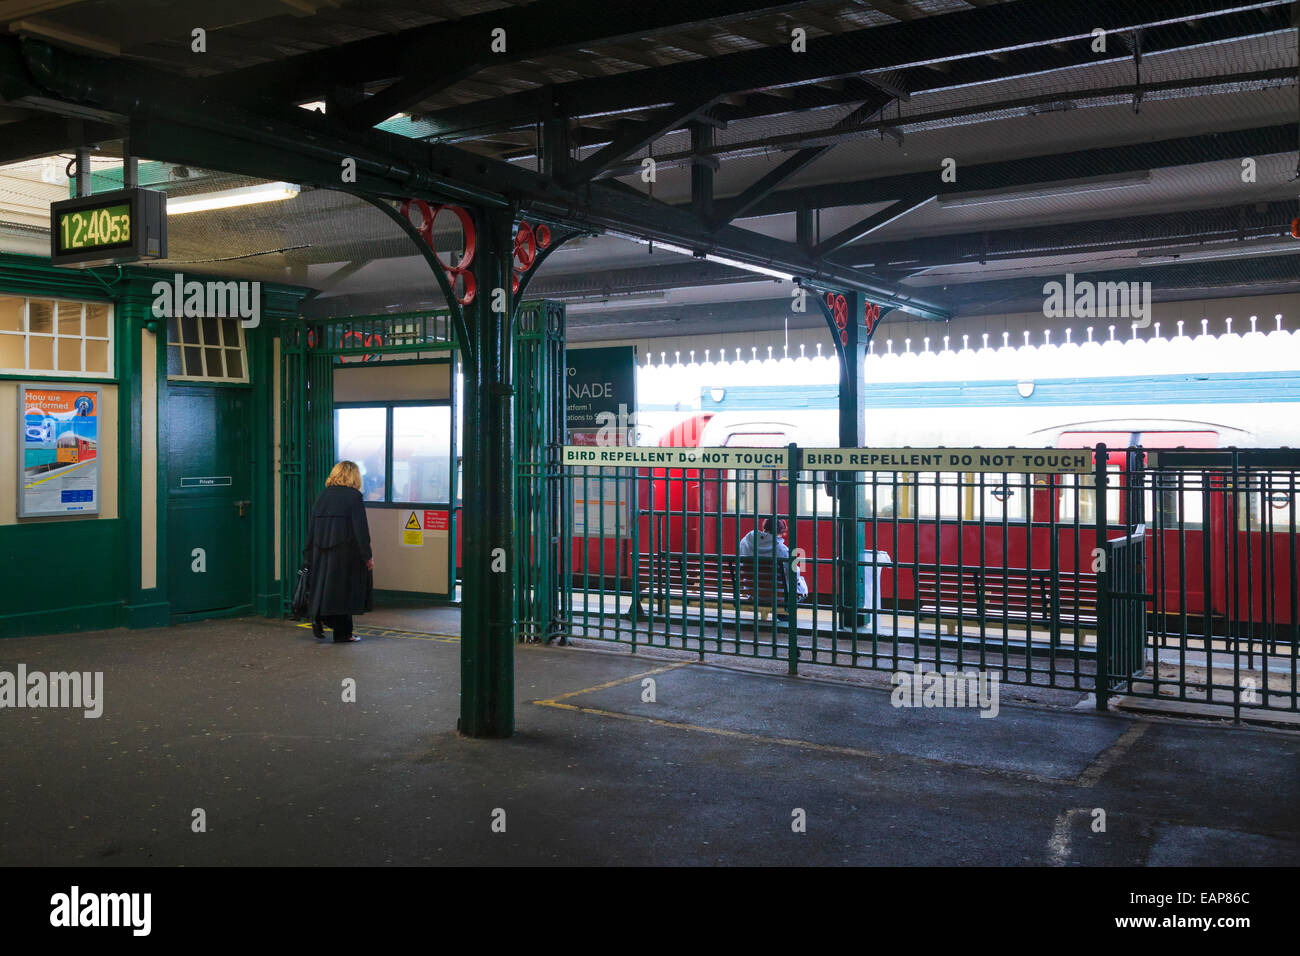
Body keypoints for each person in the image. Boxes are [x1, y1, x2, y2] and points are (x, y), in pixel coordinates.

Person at [303, 460, 374, 643]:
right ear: (354, 476)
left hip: (321, 552)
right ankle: (343, 633)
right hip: (345, 553)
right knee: (346, 593)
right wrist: (367, 556)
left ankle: (321, 617)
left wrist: (308, 553)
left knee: (326, 589)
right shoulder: (354, 497)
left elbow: (312, 527)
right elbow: (360, 529)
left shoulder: (322, 496)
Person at [737, 517, 809, 601]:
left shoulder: (745, 542)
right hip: (777, 596)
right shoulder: (782, 549)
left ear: (764, 527)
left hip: (752, 593)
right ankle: (783, 613)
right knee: (801, 585)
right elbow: (793, 576)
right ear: (781, 532)